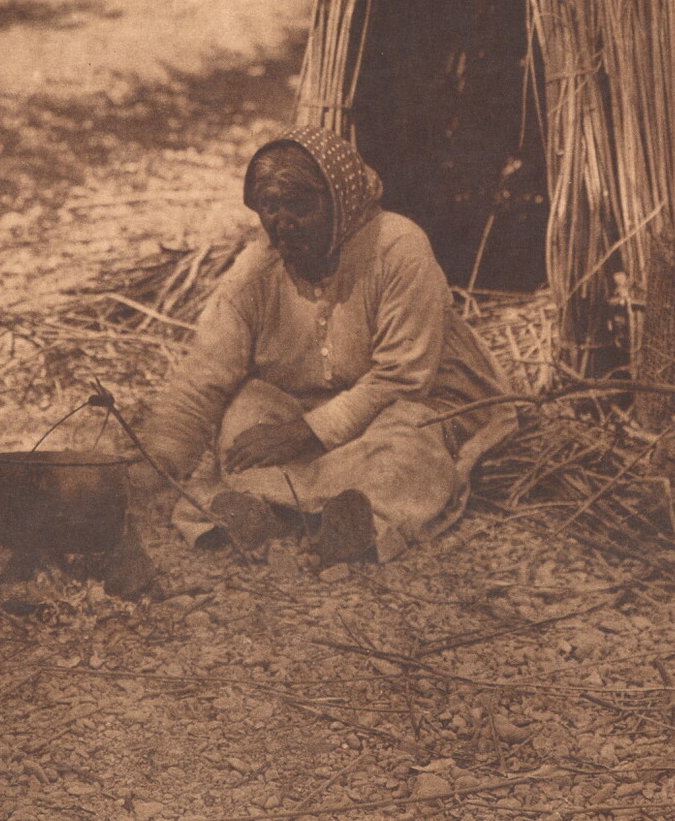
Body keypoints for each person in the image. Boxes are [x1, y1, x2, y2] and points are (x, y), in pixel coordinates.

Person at [136, 127, 517, 564]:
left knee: (408, 443)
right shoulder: (257, 271)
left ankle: (357, 520)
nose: (283, 222)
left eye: (300, 205)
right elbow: (202, 377)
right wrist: (157, 462)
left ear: (340, 202)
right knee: (244, 412)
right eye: (269, 206)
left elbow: (403, 377)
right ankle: (263, 511)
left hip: (409, 402)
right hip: (304, 408)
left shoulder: (396, 248)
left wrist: (307, 433)